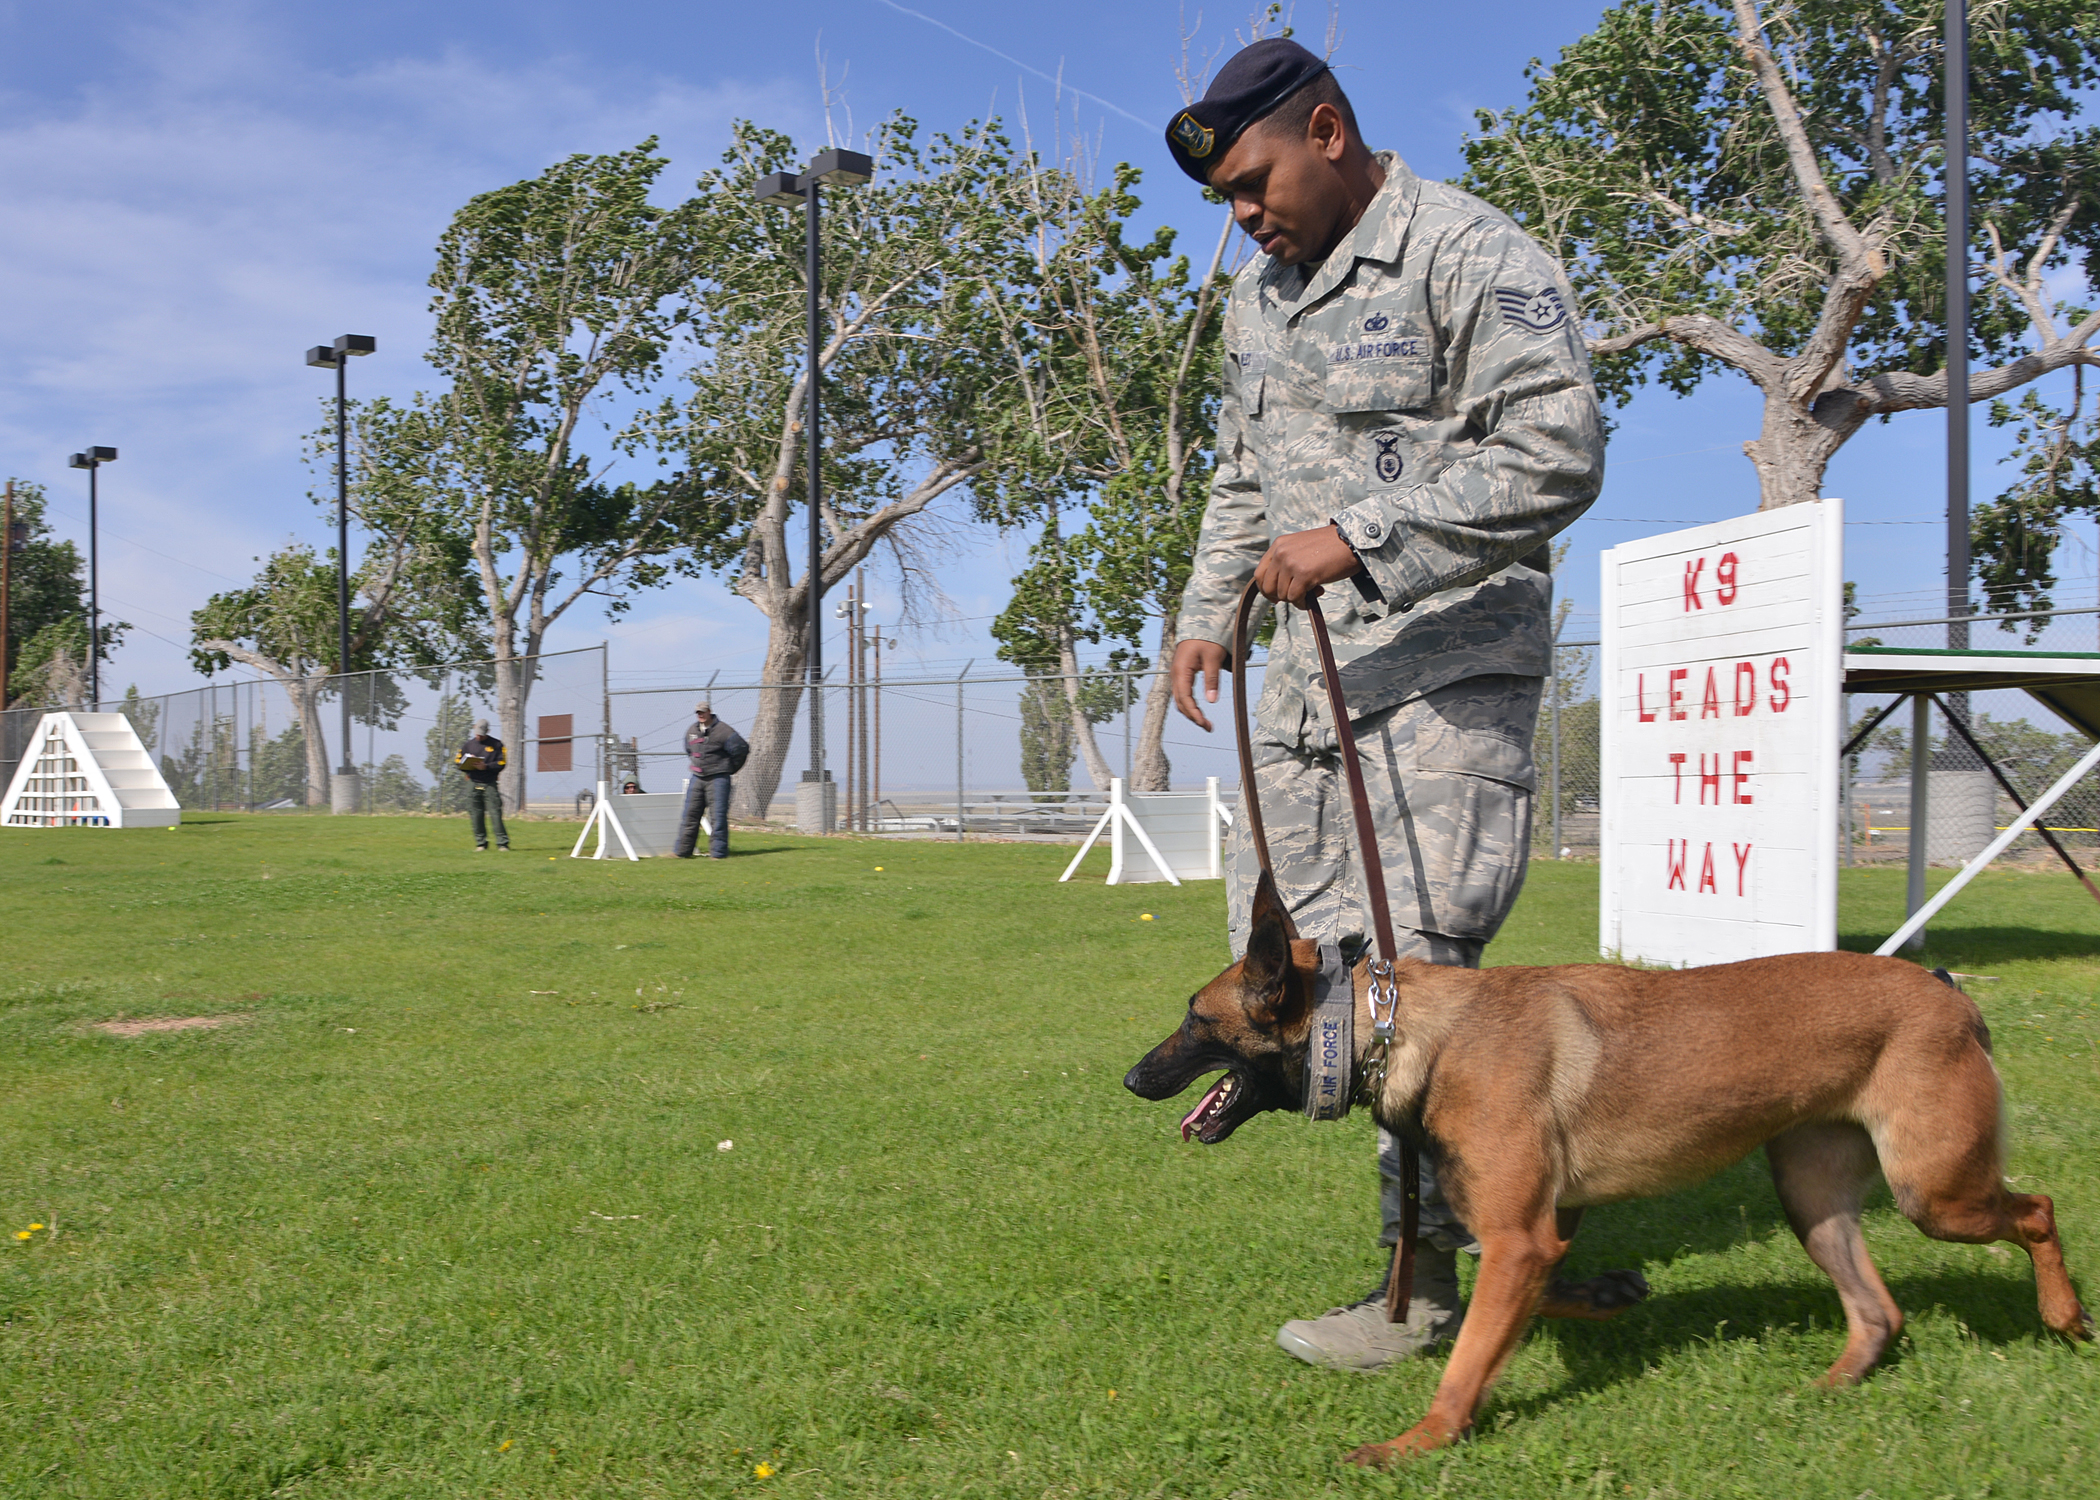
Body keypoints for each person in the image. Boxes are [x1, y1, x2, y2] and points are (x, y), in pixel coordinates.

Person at [1163, 39, 1609, 1370]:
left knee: (1412, 989)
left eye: (1255, 181)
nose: (1245, 214)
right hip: (1307, 692)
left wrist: (1361, 533)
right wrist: (1204, 612)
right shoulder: (1261, 297)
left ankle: (1421, 1295)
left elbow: (1558, 448)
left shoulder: (1470, 254)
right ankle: (1520, 1249)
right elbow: (1244, 474)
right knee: (1323, 988)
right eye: (1227, 199)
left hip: (1440, 676)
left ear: (1329, 129)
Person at [673, 703, 748, 859]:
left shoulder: (724, 731)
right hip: (697, 778)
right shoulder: (692, 731)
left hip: (718, 778)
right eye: (698, 713)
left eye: (703, 712)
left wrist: (729, 768)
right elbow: (689, 750)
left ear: (710, 712)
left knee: (718, 817)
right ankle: (682, 852)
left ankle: (718, 853)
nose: (700, 715)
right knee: (690, 815)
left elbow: (742, 749)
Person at [454, 718, 509, 852]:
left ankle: (502, 844)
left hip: (489, 784)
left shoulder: (497, 744)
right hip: (473, 783)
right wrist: (467, 764)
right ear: (474, 729)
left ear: (487, 732)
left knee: (495, 813)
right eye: (477, 733)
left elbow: (502, 763)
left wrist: (486, 767)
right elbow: (457, 761)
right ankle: (481, 843)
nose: (479, 736)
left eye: (482, 734)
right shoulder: (468, 745)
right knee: (475, 814)